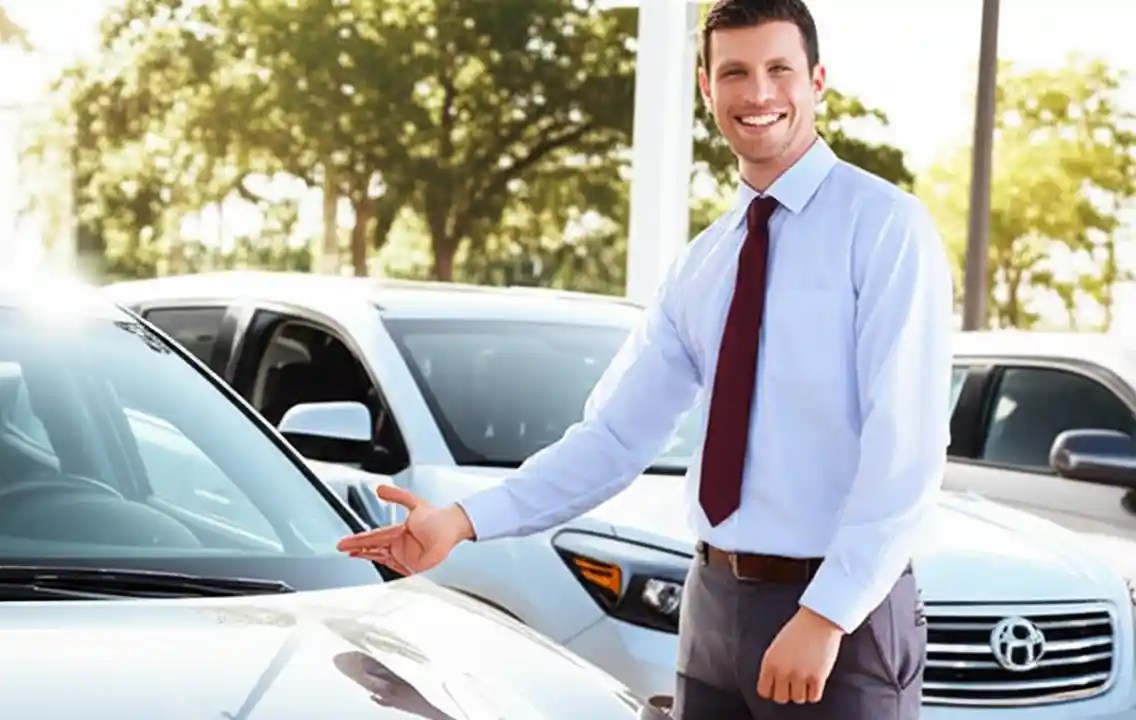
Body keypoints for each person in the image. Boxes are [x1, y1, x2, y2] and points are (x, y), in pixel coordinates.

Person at [337, 0, 952, 717]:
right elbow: (614, 439)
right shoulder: (704, 263)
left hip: (833, 617)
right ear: (706, 88)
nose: (758, 94)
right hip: (712, 607)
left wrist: (829, 612)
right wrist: (464, 520)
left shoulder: (884, 228)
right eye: (735, 72)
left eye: (779, 69)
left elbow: (904, 450)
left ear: (817, 81)